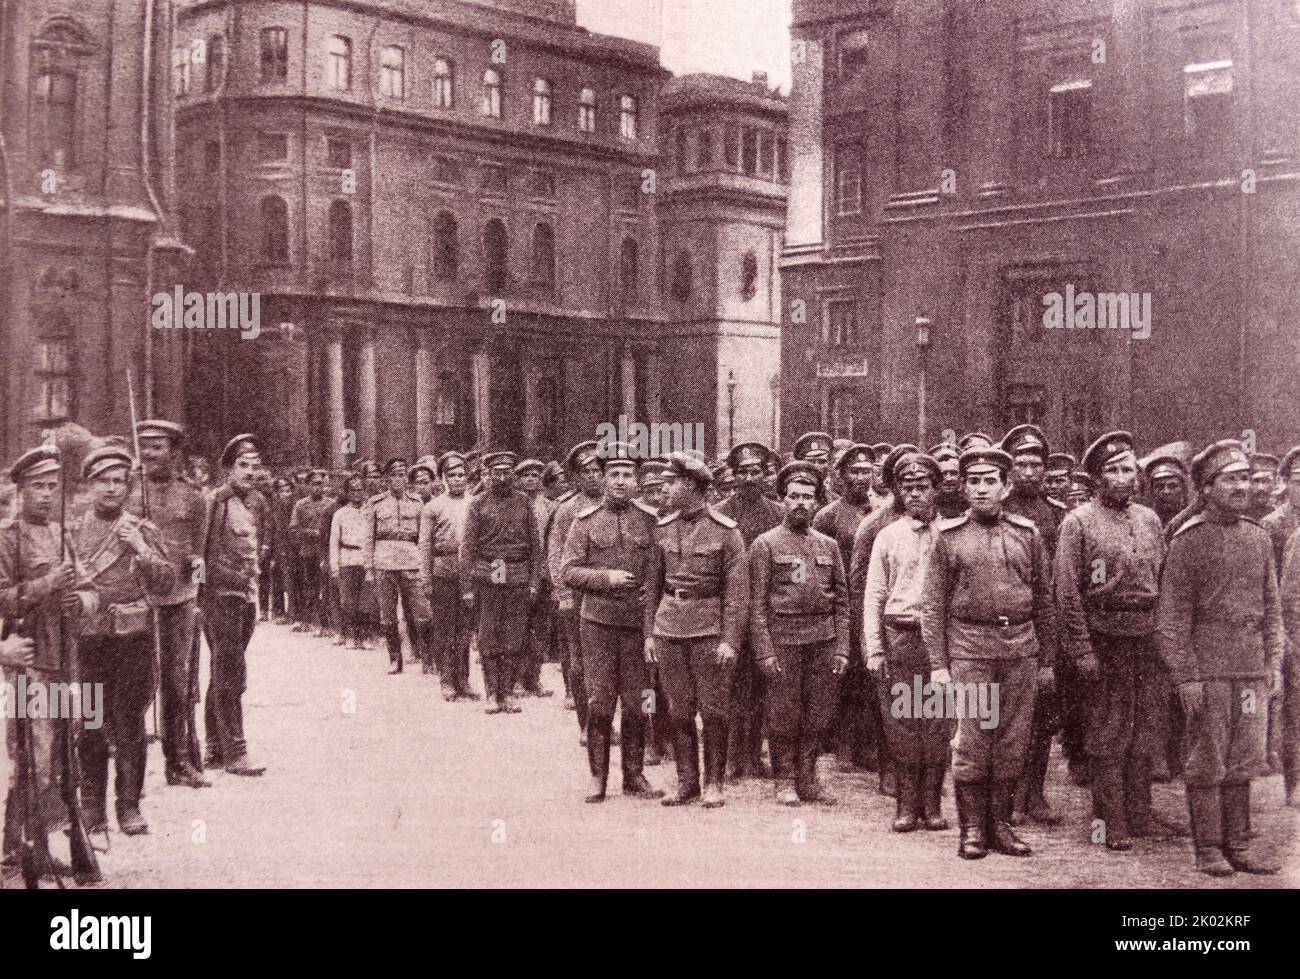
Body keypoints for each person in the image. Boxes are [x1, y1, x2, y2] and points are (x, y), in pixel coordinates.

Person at [921, 446, 1054, 860]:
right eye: (973, 481)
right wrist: (940, 665)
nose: (981, 489)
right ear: (963, 487)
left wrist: (1046, 661)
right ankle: (973, 829)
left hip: (1020, 650)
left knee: (1013, 740)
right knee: (974, 739)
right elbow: (933, 606)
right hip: (970, 650)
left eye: (990, 481)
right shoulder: (947, 537)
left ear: (1006, 487)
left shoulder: (1027, 534)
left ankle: (1001, 825)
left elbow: (1045, 602)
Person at [1157, 440, 1282, 875]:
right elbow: (1171, 619)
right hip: (1208, 673)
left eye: (1246, 478)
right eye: (1231, 479)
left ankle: (1239, 845)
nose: (1242, 486)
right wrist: (1186, 677)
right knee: (1207, 759)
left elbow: (1272, 609)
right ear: (1206, 487)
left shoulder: (1258, 537)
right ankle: (1208, 847)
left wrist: (1274, 665)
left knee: (1246, 756)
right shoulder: (1188, 540)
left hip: (1250, 672)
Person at [1055, 432, 1175, 851]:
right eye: (1113, 470)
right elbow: (1067, 593)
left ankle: (1141, 813)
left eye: (1129, 469)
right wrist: (1081, 650)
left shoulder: (1149, 519)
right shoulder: (1079, 522)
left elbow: (1163, 583)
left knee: (1145, 727)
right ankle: (1109, 820)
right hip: (1104, 638)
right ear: (1097, 478)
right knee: (1107, 732)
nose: (1123, 477)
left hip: (1146, 637)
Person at [0, 446, 97, 876]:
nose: (45, 494)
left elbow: (92, 590)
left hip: (67, 658)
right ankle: (18, 847)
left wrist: (83, 600)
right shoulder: (6, 537)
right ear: (19, 490)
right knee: (31, 758)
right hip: (29, 661)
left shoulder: (63, 534)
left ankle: (44, 840)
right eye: (37, 486)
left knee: (63, 755)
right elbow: (3, 599)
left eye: (51, 486)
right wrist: (45, 584)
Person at [71, 446, 175, 836]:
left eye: (119, 481)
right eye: (104, 481)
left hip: (133, 637)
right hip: (91, 638)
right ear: (90, 485)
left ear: (129, 486)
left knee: (129, 721)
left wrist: (142, 550)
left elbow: (166, 582)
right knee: (92, 723)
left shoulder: (141, 528)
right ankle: (93, 809)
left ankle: (129, 807)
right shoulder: (74, 529)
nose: (113, 488)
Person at [560, 443, 664, 802]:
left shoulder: (651, 521)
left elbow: (658, 574)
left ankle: (634, 775)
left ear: (636, 480)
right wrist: (606, 579)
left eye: (627, 475)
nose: (621, 481)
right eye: (614, 474)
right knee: (600, 702)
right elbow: (568, 570)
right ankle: (598, 778)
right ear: (603, 479)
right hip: (598, 624)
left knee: (638, 703)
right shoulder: (584, 522)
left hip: (638, 626)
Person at [644, 453, 748, 808]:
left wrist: (730, 640)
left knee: (714, 710)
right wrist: (649, 634)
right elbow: (652, 588)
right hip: (669, 628)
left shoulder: (727, 532)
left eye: (671, 483)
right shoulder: (662, 529)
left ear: (691, 485)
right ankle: (687, 782)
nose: (665, 489)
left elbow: (737, 595)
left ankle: (713, 782)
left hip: (709, 631)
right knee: (678, 709)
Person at [750, 461, 848, 805]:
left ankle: (809, 780)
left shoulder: (828, 545)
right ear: (783, 499)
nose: (801, 503)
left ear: (817, 502)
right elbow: (757, 604)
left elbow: (842, 603)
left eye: (808, 497)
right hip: (784, 640)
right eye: (794, 496)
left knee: (818, 713)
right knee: (783, 713)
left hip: (822, 640)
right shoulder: (766, 544)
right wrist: (764, 651)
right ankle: (785, 780)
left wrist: (842, 648)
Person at [863, 451, 951, 831]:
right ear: (898, 491)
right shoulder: (888, 535)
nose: (915, 494)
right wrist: (875, 648)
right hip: (900, 636)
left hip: (941, 641)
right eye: (908, 487)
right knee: (902, 721)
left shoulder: (951, 533)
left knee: (937, 722)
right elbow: (874, 595)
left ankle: (931, 805)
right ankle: (905, 805)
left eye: (923, 487)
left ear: (936, 489)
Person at [131, 419, 211, 788]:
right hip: (137, 597)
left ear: (173, 450)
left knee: (177, 682)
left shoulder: (193, 495)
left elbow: (199, 555)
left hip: (179, 599)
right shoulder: (129, 491)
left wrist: (197, 597)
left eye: (157, 446)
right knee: (137, 681)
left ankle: (177, 760)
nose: (149, 453)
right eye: (144, 445)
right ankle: (127, 772)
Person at [998, 423, 1066, 825]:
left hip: (1045, 625)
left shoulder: (1058, 515)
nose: (1029, 471)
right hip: (1007, 625)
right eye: (1021, 463)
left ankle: (1035, 792)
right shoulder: (998, 512)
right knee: (1007, 715)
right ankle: (1010, 795)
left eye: (1036, 463)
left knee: (1042, 715)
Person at [201, 435, 268, 777]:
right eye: (243, 465)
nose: (250, 472)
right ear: (227, 468)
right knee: (231, 673)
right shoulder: (215, 501)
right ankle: (236, 752)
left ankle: (213, 746)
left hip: (246, 596)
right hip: (220, 598)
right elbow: (198, 554)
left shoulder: (255, 502)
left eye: (255, 466)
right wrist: (201, 596)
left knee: (223, 670)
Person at [716, 442, 783, 780]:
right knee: (727, 687)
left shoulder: (779, 513)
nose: (749, 477)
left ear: (765, 473)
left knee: (758, 688)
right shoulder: (720, 512)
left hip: (765, 613)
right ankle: (729, 758)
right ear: (734, 474)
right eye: (743, 471)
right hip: (727, 611)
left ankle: (754, 755)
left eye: (755, 470)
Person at [461, 451, 543, 714]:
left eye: (507, 472)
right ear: (488, 474)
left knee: (514, 635)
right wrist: (467, 587)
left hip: (518, 574)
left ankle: (507, 692)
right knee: (488, 635)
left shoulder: (523, 503)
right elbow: (468, 547)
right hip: (487, 573)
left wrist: (533, 581)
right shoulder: (477, 503)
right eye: (497, 472)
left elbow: (535, 546)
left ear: (512, 475)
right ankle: (491, 693)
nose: (502, 477)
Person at [547, 442, 604, 738]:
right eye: (586, 471)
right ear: (577, 476)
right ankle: (587, 725)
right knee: (579, 660)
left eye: (597, 470)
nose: (593, 476)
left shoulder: (617, 502)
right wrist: (563, 593)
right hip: (577, 595)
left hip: (610, 595)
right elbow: (556, 553)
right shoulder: (568, 509)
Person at [363, 459, 433, 675]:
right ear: (386, 479)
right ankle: (395, 658)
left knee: (422, 612)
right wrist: (368, 568)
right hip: (384, 563)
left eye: (402, 474)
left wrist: (424, 564)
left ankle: (427, 659)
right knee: (388, 615)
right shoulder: (375, 504)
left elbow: (424, 537)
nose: (399, 479)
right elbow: (368, 538)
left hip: (411, 562)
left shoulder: (417, 503)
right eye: (394, 474)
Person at [420, 452, 478, 701]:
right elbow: (424, 545)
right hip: (443, 570)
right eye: (452, 475)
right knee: (445, 628)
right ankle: (446, 679)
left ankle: (463, 679)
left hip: (470, 573)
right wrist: (426, 579)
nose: (457, 479)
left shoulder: (475, 503)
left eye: (461, 474)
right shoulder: (433, 507)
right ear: (444, 478)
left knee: (465, 629)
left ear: (467, 477)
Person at [515, 458, 555, 698]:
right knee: (518, 627)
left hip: (543, 574)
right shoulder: (514, 505)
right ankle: (517, 679)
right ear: (518, 479)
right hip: (520, 572)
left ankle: (534, 678)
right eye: (526, 475)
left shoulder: (550, 507)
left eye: (536, 475)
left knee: (540, 628)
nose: (531, 479)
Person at [330, 476, 372, 650]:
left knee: (366, 601)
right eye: (353, 490)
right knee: (348, 602)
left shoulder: (370, 511)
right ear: (347, 493)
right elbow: (334, 541)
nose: (357, 494)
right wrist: (334, 566)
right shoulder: (340, 514)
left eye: (360, 490)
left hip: (366, 559)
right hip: (347, 559)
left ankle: (365, 636)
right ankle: (350, 635)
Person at [288, 471, 331, 633]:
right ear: (308, 486)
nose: (317, 487)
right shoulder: (300, 505)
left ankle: (325, 624)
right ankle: (306, 620)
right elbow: (293, 528)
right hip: (307, 551)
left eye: (320, 484)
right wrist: (311, 533)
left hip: (325, 551)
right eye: (314, 484)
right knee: (308, 585)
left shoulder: (330, 504)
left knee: (325, 587)